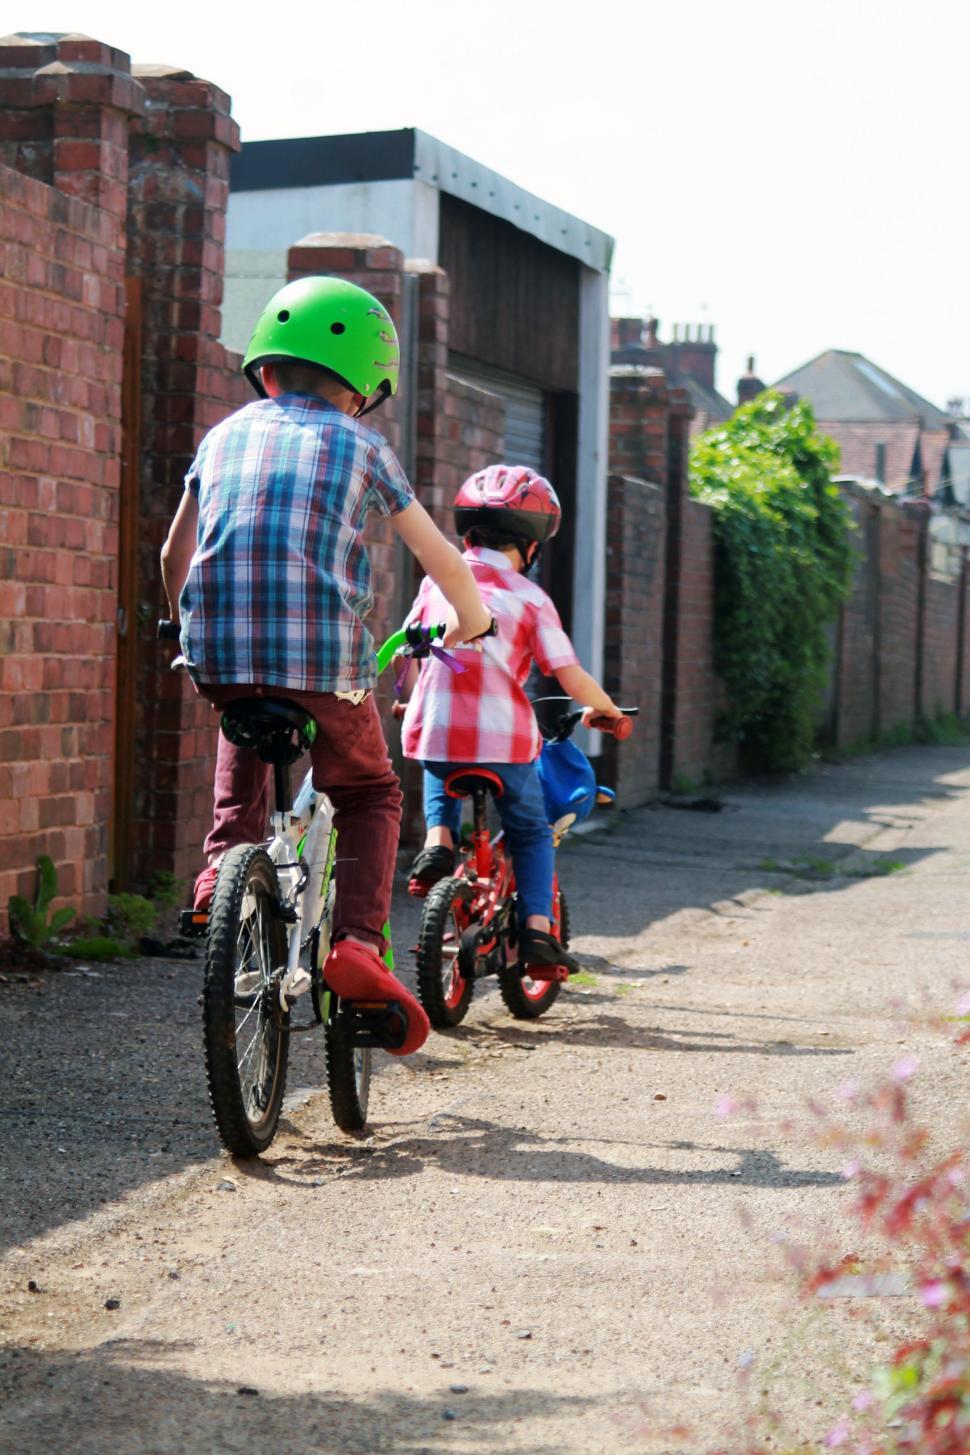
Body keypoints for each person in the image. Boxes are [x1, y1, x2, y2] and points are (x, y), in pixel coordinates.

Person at [160, 275, 492, 1056]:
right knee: (372, 790)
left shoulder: (221, 436)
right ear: (365, 391)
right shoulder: (364, 446)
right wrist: (473, 622)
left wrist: (183, 621)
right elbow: (441, 558)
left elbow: (172, 551)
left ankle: (219, 874)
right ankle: (356, 943)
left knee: (242, 715)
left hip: (220, 652)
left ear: (264, 370)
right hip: (324, 665)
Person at [399, 464, 623, 971]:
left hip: (435, 726)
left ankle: (439, 841)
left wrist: (409, 700)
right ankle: (538, 932)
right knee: (530, 831)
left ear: (469, 534)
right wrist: (604, 708)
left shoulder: (436, 585)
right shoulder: (530, 597)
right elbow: (567, 675)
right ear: (531, 547)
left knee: (441, 764)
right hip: (503, 744)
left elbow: (410, 654)